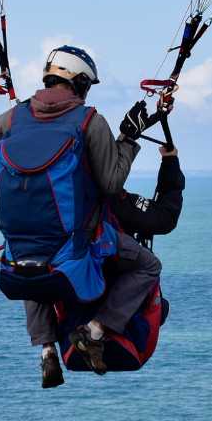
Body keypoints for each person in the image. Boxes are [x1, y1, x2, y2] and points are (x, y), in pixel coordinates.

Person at [0, 45, 154, 388]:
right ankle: (95, 331)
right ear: (79, 82)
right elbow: (111, 182)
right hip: (76, 246)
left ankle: (47, 350)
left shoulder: (11, 120)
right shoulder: (89, 121)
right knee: (147, 266)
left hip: (19, 257)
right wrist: (128, 139)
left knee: (30, 257)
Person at [63, 144, 186, 376]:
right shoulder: (120, 202)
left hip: (76, 310)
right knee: (157, 293)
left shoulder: (59, 204)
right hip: (121, 323)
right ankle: (99, 328)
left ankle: (47, 349)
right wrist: (170, 162)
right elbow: (164, 217)